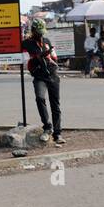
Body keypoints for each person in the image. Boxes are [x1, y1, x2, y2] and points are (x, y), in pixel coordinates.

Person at [22, 18, 64, 146]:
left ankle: (58, 133)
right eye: (38, 32)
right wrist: (37, 58)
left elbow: (55, 58)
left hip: (53, 76)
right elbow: (25, 63)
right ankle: (47, 127)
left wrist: (48, 56)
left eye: (42, 32)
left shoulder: (46, 42)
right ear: (33, 30)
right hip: (39, 77)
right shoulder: (26, 44)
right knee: (40, 98)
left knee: (55, 105)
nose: (41, 35)